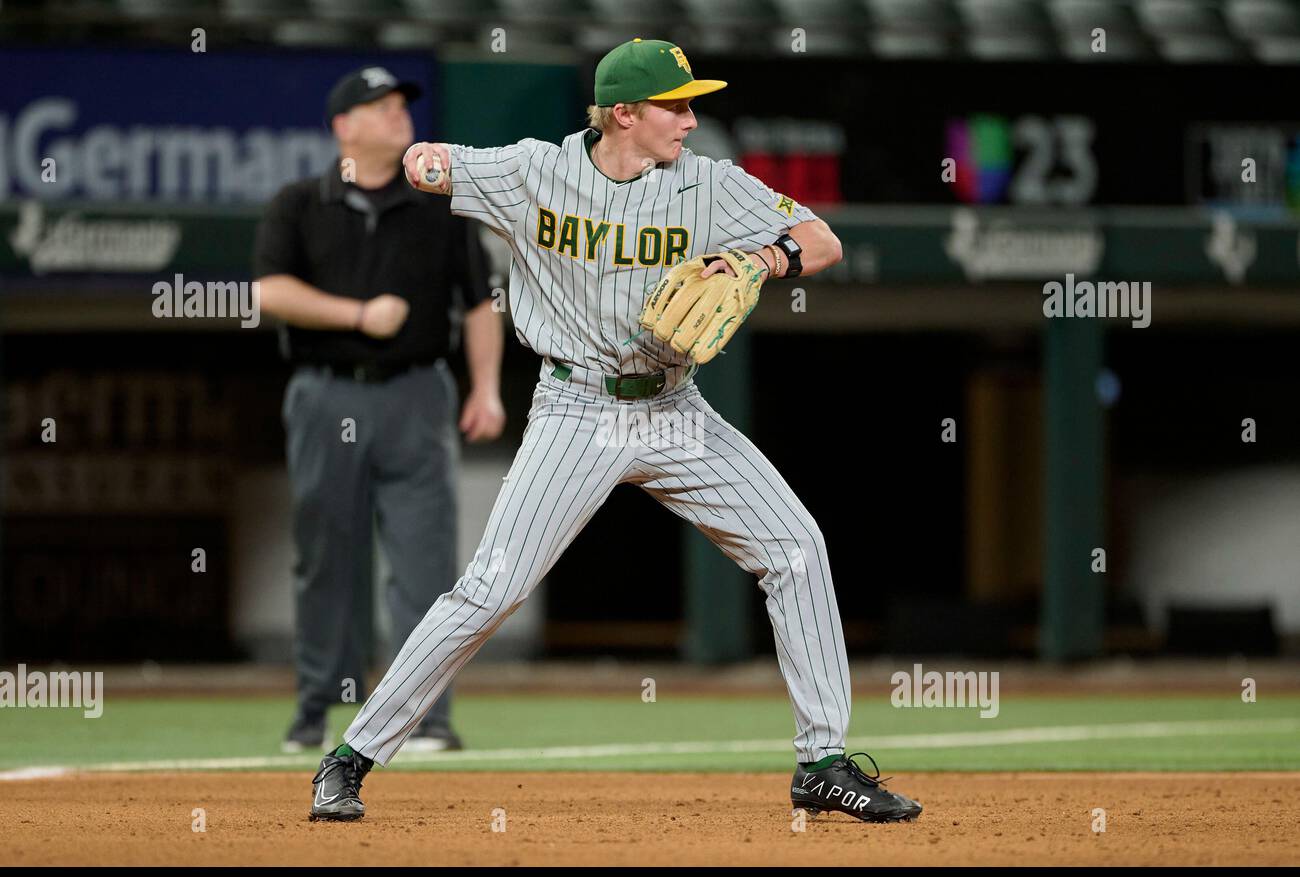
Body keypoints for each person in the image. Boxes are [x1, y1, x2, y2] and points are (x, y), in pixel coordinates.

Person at [307, 41, 923, 823]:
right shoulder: (534, 171)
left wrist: (761, 260)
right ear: (624, 114)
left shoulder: (706, 184)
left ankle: (823, 763)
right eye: (677, 106)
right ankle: (348, 759)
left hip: (676, 410)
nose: (692, 120)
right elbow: (434, 163)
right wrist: (417, 156)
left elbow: (823, 240)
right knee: (491, 590)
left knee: (796, 547)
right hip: (577, 410)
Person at [255, 66, 505, 755]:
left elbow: (481, 301)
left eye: (402, 104)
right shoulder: (300, 201)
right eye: (381, 106)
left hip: (416, 393)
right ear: (344, 126)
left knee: (424, 562)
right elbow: (268, 291)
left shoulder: (440, 206)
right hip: (324, 389)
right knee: (326, 557)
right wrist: (359, 315)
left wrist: (486, 388)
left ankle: (427, 717)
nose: (399, 115)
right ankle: (316, 711)